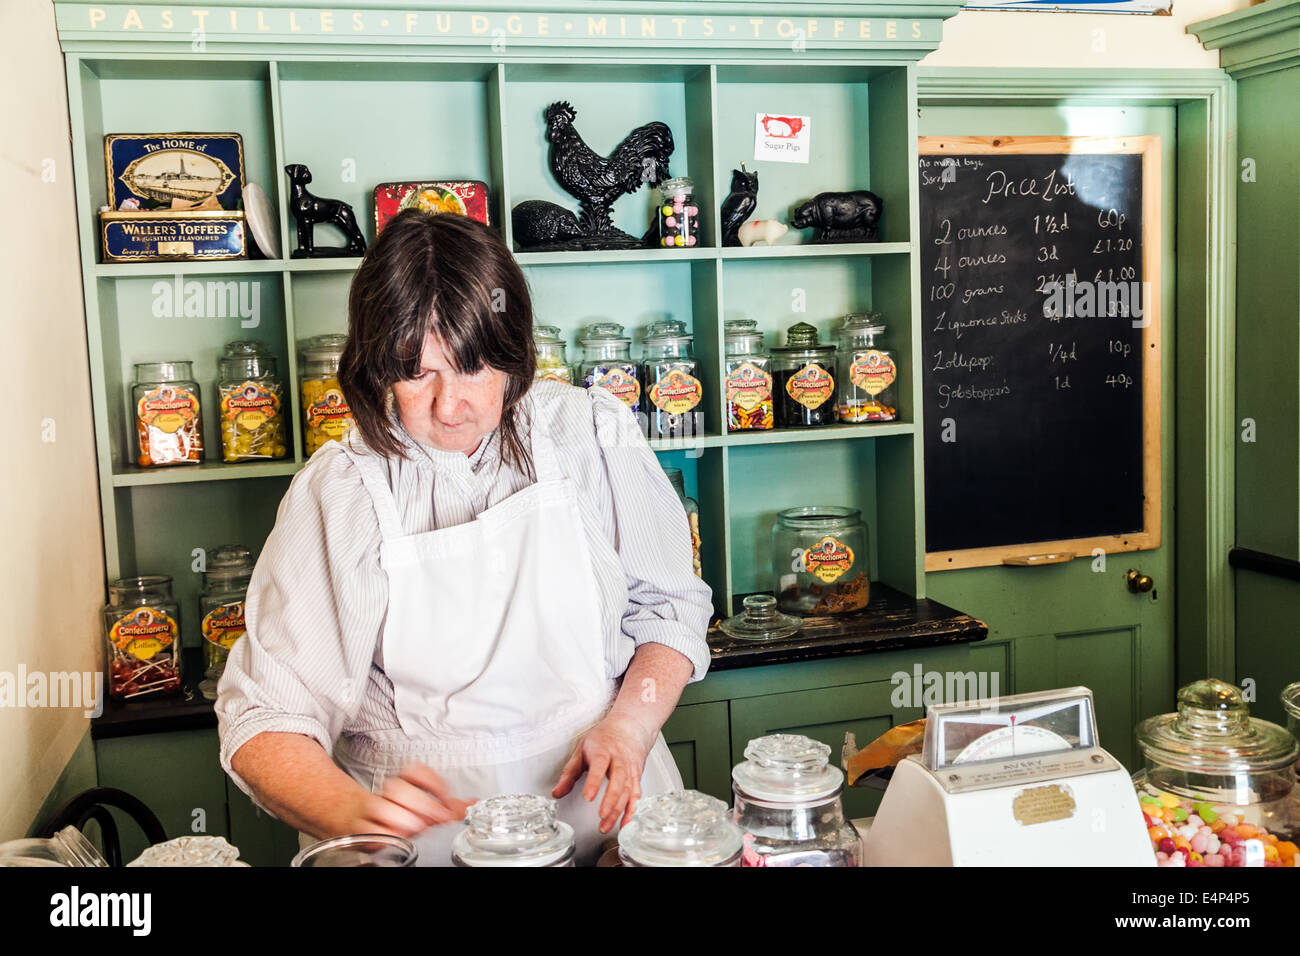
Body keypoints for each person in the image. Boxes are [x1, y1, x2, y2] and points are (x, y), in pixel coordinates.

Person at [215, 209, 713, 866]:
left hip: (607, 819)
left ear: (514, 352)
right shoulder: (338, 492)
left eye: (474, 367)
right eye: (417, 372)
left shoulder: (590, 431)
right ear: (376, 368)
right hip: (424, 846)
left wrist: (631, 724)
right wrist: (355, 815)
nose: (450, 406)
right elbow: (263, 720)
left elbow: (669, 609)